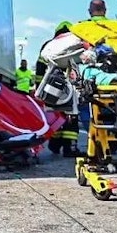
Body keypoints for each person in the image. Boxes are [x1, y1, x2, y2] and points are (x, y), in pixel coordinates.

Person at [36, 21, 80, 157]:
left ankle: (54, 145)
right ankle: (70, 148)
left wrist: (39, 89)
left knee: (56, 116)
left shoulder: (48, 45)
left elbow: (40, 69)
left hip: (51, 87)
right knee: (71, 118)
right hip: (68, 88)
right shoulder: (73, 44)